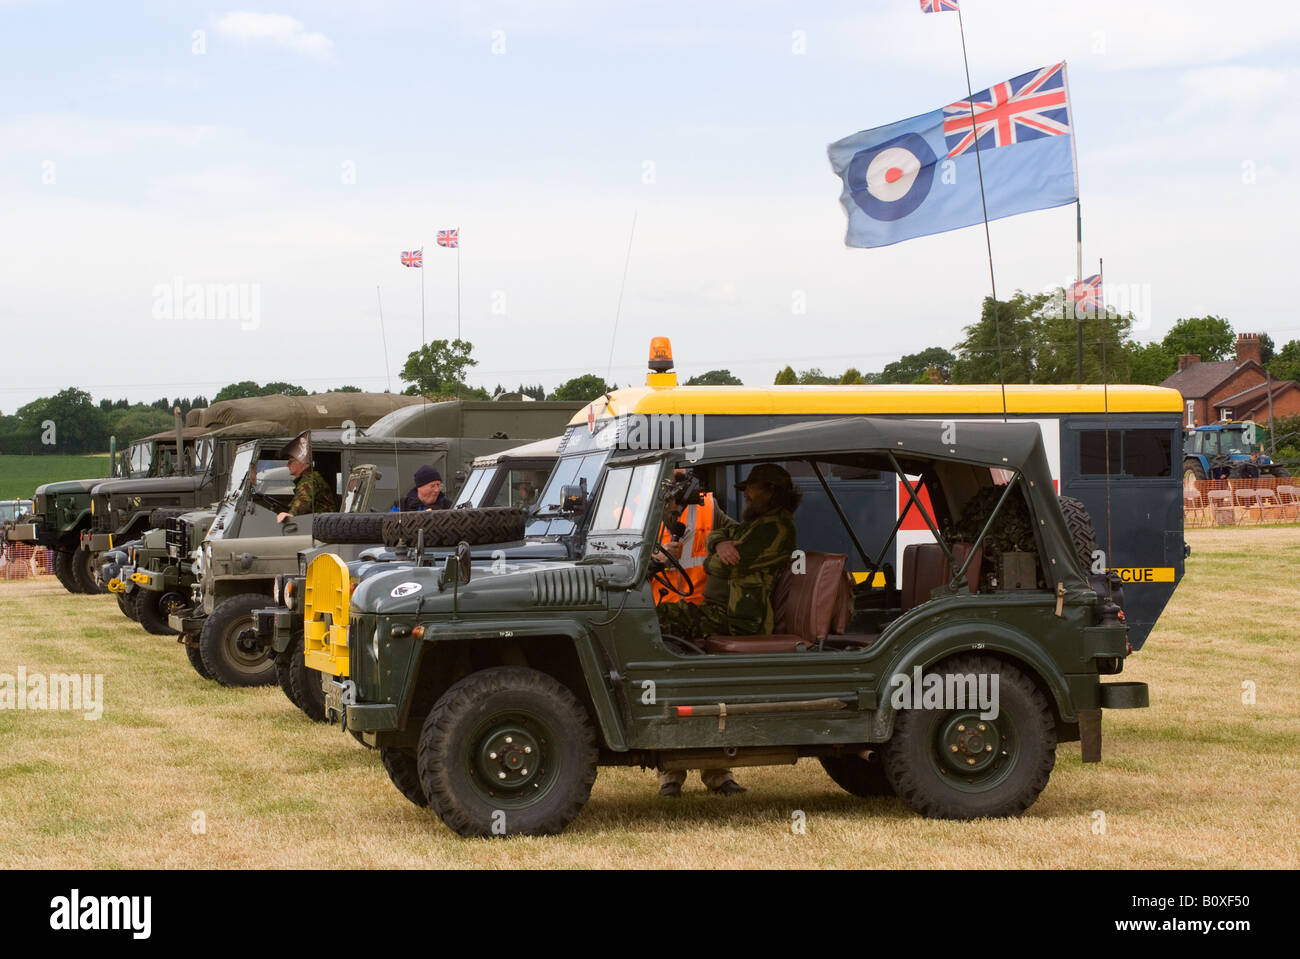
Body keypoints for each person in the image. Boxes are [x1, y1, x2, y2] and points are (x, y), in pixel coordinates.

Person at [653, 464, 801, 797]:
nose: (679, 486)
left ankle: (716, 772)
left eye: (683, 478)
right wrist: (714, 544)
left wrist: (717, 547)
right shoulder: (643, 505)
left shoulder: (711, 506)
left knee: (709, 690)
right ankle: (672, 771)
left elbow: (725, 546)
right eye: (673, 480)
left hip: (709, 610)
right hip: (668, 602)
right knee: (678, 685)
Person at [276, 432, 337, 522]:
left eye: (290, 462)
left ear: (301, 463)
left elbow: (303, 502)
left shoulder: (309, 480)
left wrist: (291, 514)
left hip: (323, 526)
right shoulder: (308, 478)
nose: (287, 465)